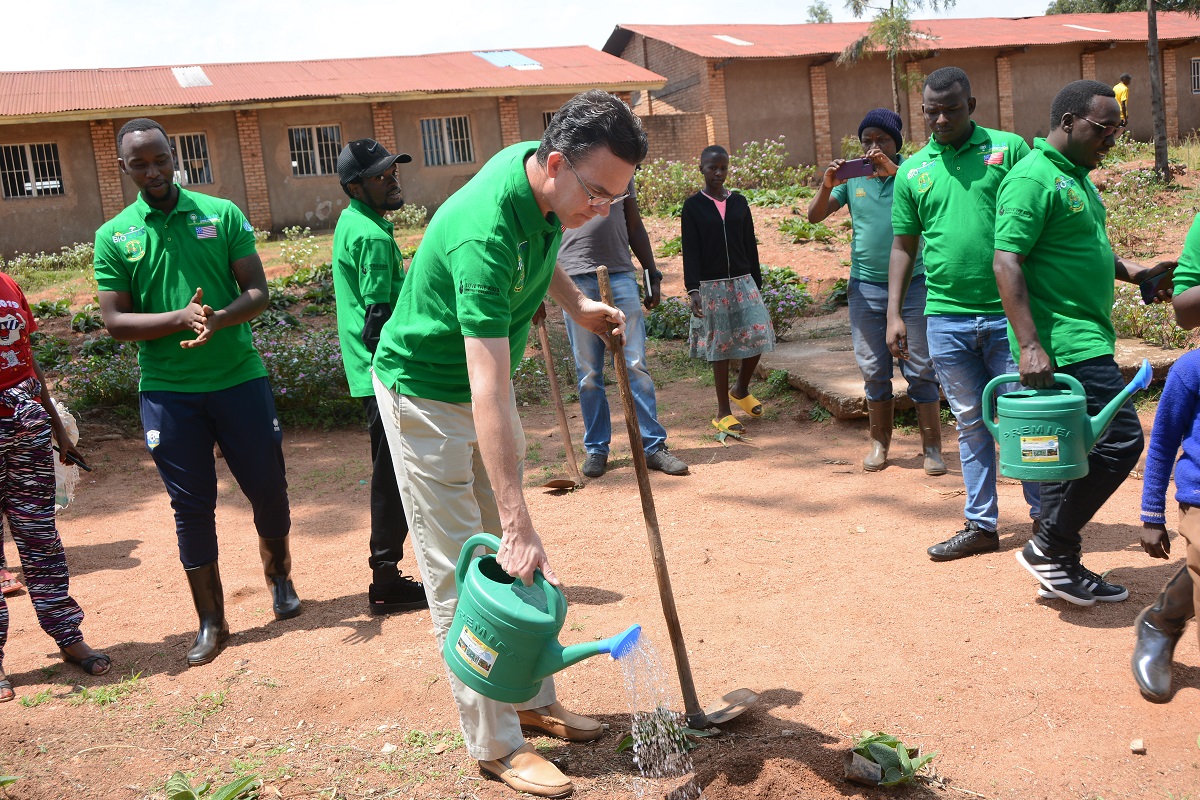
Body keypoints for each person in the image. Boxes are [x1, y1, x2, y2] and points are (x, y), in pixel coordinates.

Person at [370, 90, 641, 799]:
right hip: (424, 397)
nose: (604, 210)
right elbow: (485, 387)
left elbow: (545, 239)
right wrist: (517, 516)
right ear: (556, 164)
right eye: (600, 194)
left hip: (477, 392)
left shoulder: (543, 186)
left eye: (618, 198)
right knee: (466, 568)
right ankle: (496, 745)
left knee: (515, 556)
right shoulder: (481, 233)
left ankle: (531, 698)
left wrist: (577, 304)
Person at [93, 118, 300, 668]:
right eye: (140, 163)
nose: (153, 170)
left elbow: (257, 292)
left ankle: (279, 577)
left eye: (160, 158)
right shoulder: (114, 236)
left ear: (174, 154)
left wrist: (219, 318)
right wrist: (181, 317)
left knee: (269, 487)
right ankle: (212, 619)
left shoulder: (221, 214)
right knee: (191, 506)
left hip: (239, 378)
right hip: (169, 391)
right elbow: (114, 321)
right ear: (125, 168)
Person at [993, 79, 1173, 606]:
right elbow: (1007, 261)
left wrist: (1136, 273)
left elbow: (1083, 249)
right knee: (1121, 440)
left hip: (1083, 333)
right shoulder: (1032, 177)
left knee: (1061, 457)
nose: (1111, 140)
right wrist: (1029, 345)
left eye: (1116, 131)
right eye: (1103, 129)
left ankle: (1056, 559)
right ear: (1068, 121)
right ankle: (1051, 545)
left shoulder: (1078, 177)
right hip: (1063, 341)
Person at [887, 66, 1041, 562]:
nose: (939, 119)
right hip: (946, 319)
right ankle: (981, 524)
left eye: (950, 109)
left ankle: (1046, 521)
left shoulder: (1010, 149)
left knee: (1025, 418)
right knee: (971, 423)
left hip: (1008, 316)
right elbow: (904, 247)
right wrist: (894, 314)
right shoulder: (913, 170)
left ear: (971, 106)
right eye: (930, 111)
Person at [808, 108, 945, 474]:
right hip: (866, 287)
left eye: (880, 140)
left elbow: (930, 207)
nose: (872, 147)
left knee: (920, 366)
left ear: (895, 142)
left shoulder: (913, 172)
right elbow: (814, 216)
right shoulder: (853, 180)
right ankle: (879, 442)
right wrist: (828, 183)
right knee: (873, 368)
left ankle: (932, 446)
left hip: (914, 285)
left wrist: (895, 173)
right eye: (866, 140)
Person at [0, 270, 110, 703]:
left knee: (41, 539)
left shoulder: (8, 285)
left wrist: (57, 429)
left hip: (25, 435)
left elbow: (27, 358)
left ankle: (67, 636)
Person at [331, 138, 427, 615]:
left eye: (393, 171)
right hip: (382, 372)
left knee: (391, 469)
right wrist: (396, 374)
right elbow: (378, 319)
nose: (392, 180)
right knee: (392, 473)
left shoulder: (357, 223)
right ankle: (385, 579)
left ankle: (387, 574)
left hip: (369, 370)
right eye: (381, 176)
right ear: (355, 186)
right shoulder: (369, 234)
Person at [557, 176, 688, 478]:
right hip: (574, 279)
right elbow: (544, 232)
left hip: (619, 275)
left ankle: (653, 447)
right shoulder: (564, 175)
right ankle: (596, 449)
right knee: (589, 372)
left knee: (635, 363)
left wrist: (651, 273)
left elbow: (634, 225)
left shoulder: (619, 172)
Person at [1133, 211, 1200, 701]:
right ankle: (1161, 625)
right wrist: (1151, 513)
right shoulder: (1189, 370)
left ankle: (1163, 619)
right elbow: (1160, 445)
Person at [682, 145, 776, 435]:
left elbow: (750, 244)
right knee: (720, 347)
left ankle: (741, 389)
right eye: (712, 168)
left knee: (760, 332)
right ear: (702, 169)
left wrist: (756, 283)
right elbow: (690, 251)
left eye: (723, 167)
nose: (718, 173)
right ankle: (723, 411)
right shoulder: (693, 206)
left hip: (743, 279)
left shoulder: (739, 202)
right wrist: (693, 289)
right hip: (710, 286)